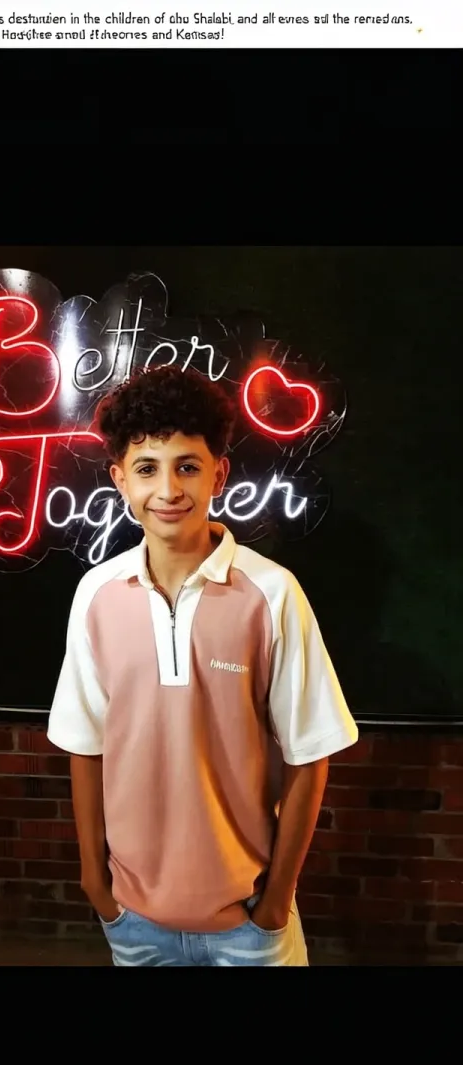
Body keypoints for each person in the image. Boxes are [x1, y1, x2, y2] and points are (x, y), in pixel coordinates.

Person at [47, 364, 359, 966]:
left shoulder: (271, 593)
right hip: (134, 917)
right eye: (147, 468)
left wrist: (276, 901)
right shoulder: (96, 594)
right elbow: (84, 746)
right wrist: (95, 882)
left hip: (248, 921)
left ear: (219, 472)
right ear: (119, 479)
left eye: (187, 466)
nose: (168, 490)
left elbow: (309, 754)